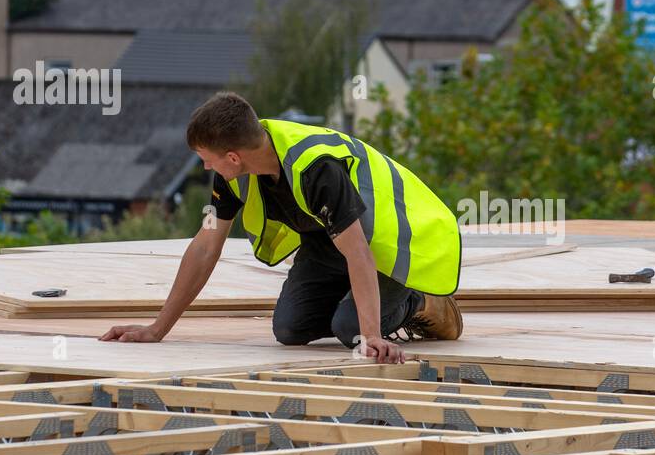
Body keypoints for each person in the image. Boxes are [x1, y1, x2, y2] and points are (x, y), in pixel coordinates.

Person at [100, 92, 462, 362]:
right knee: (289, 329)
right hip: (328, 242)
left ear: (233, 157)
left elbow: (360, 253)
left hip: (392, 244)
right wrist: (157, 328)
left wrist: (371, 335)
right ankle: (360, 309)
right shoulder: (232, 175)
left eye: (205, 158)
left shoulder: (317, 169)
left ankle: (421, 301)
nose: (205, 166)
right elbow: (206, 244)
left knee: (352, 331)